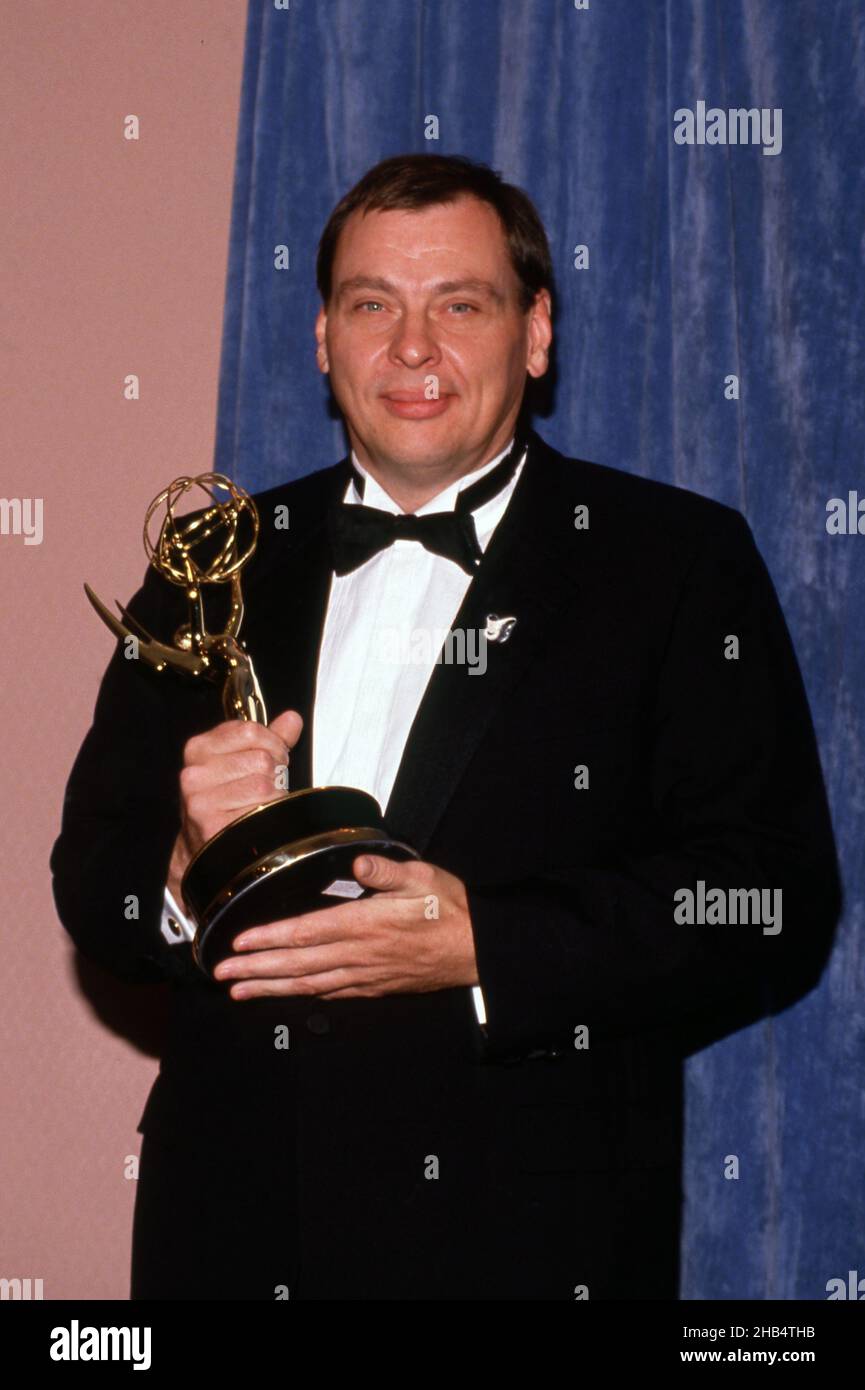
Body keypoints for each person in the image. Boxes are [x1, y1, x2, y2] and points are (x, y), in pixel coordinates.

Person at [50, 153, 841, 1301]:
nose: (411, 349)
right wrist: (180, 869)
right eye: (373, 304)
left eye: (459, 305)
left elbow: (771, 895)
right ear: (325, 338)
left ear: (535, 334)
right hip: (228, 1232)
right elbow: (92, 886)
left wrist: (490, 947)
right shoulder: (212, 562)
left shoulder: (673, 562)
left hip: (531, 1242)